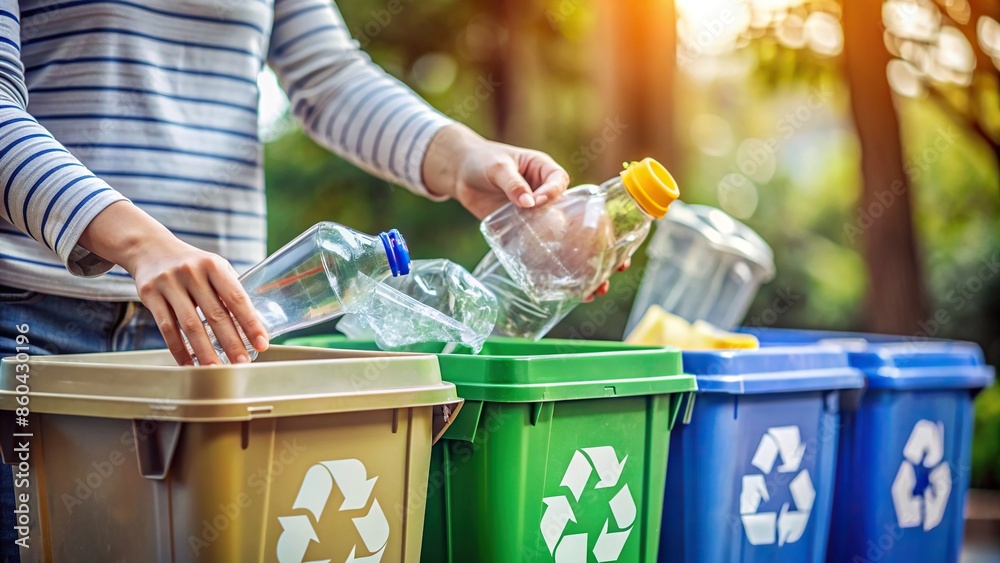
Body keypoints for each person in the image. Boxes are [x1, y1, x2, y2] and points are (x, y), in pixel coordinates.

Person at [0, 0, 630, 559]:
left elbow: (328, 76)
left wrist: (465, 158)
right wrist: (137, 241)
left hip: (214, 344)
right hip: (33, 331)